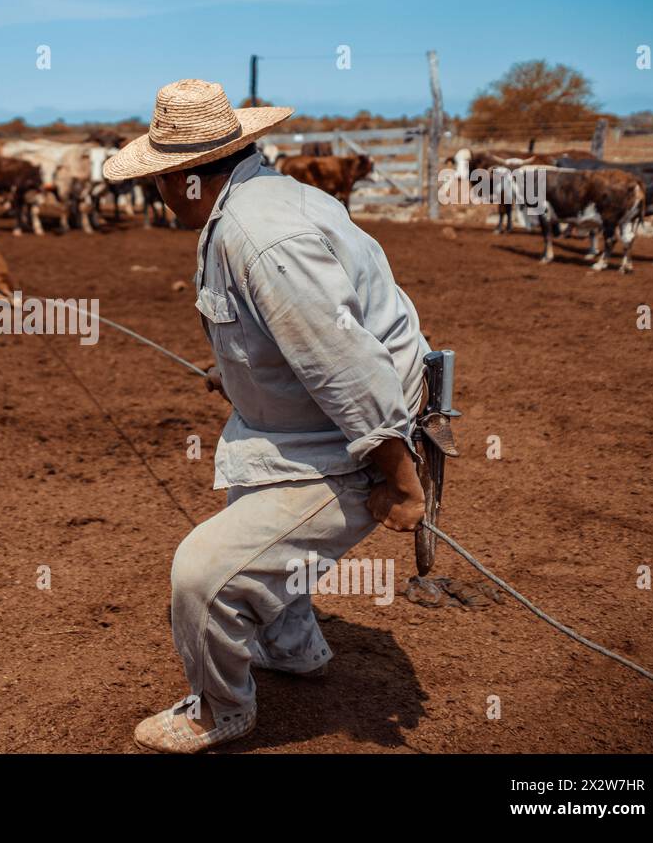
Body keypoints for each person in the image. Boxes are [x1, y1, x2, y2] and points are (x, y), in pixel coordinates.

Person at [102, 79, 431, 753]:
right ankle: (292, 644)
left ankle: (217, 711)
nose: (158, 196)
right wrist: (240, 376)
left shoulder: (257, 236)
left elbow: (345, 364)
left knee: (203, 573)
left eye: (160, 181)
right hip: (308, 423)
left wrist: (399, 478)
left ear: (187, 180)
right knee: (255, 495)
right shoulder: (265, 200)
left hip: (355, 434)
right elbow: (298, 338)